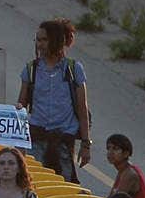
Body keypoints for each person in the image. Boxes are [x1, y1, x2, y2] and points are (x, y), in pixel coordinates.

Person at [19, 17, 92, 179]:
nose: (40, 44)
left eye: (44, 40)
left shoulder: (74, 69)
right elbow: (21, 107)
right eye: (38, 40)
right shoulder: (31, 69)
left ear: (56, 40)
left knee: (63, 186)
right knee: (34, 184)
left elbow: (82, 109)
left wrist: (86, 144)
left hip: (63, 141)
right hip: (36, 138)